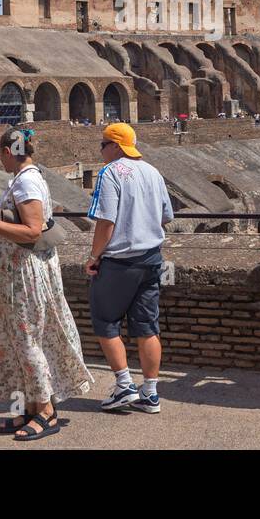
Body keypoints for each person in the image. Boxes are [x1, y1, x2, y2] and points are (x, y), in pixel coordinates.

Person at [0, 128, 93, 440]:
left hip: (25, 274)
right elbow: (15, 221)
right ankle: (29, 408)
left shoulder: (26, 180)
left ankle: (46, 412)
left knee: (28, 341)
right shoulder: (24, 177)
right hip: (17, 273)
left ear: (6, 151)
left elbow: (31, 231)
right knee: (17, 341)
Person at [85, 123, 173, 413]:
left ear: (115, 146)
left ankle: (124, 385)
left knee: (106, 322)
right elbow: (165, 217)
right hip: (151, 258)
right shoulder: (153, 172)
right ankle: (150, 393)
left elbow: (106, 222)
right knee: (147, 326)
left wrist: (94, 256)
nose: (100, 149)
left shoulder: (110, 173)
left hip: (120, 262)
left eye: (103, 144)